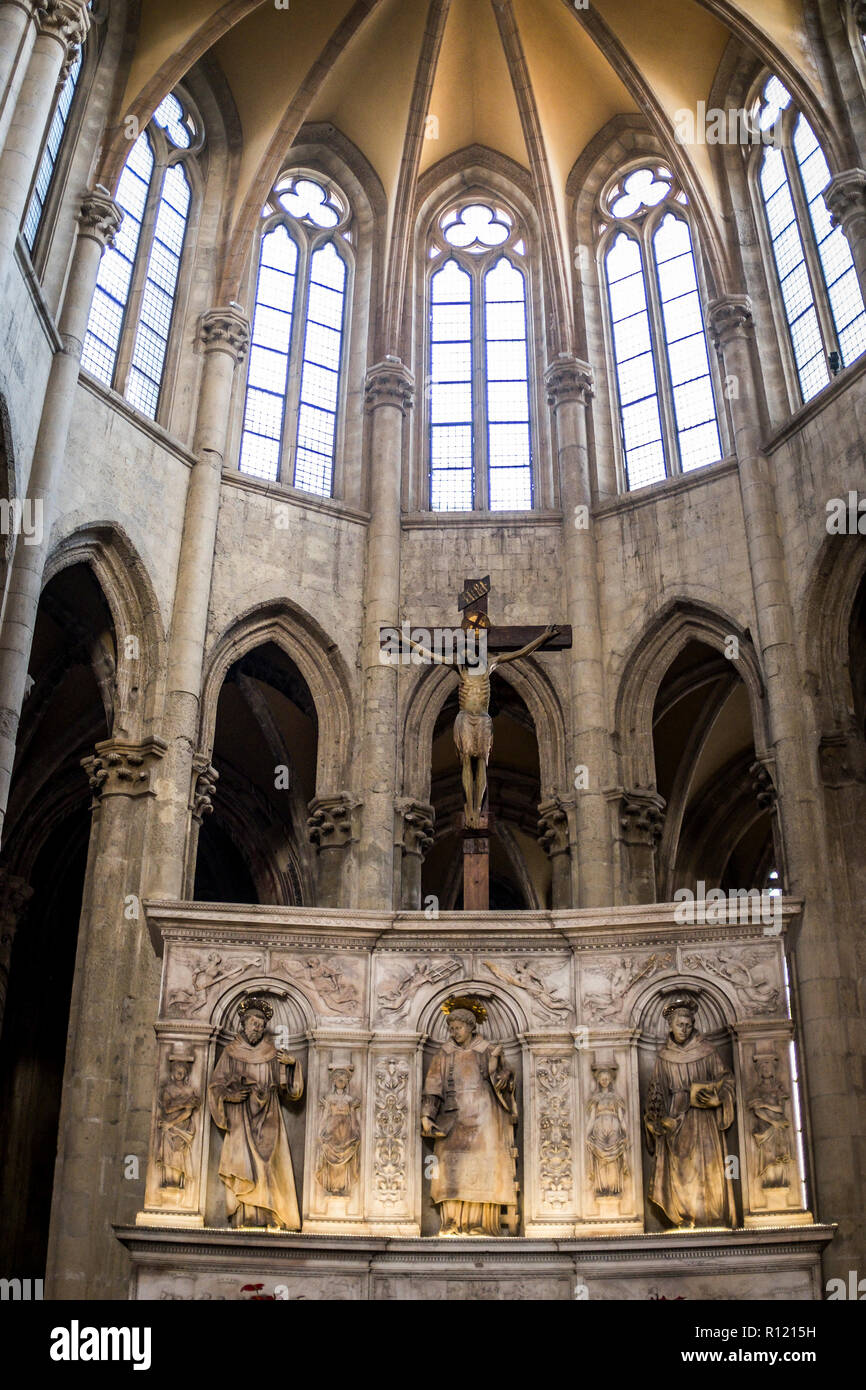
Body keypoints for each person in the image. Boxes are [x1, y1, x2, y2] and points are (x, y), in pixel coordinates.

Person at [404, 625, 559, 827]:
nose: (468, 655)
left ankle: (478, 808)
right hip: (464, 718)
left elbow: (520, 652)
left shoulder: (490, 665)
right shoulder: (459, 668)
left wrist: (544, 637)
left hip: (483, 719)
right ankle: (470, 807)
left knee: (482, 763)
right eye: (465, 652)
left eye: (471, 651)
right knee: (468, 762)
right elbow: (430, 654)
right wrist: (407, 640)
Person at [420, 1005, 517, 1235]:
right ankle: (452, 1222)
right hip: (453, 1118)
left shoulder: (489, 1050)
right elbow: (433, 1085)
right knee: (449, 1169)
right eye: (451, 1028)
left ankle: (482, 1224)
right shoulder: (444, 1053)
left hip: (485, 1117)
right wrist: (427, 1115)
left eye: (459, 1027)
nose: (455, 1032)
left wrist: (505, 1075)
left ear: (471, 1027)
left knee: (485, 1166)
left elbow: (507, 1078)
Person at [208, 995, 303, 1229]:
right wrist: (229, 1096)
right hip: (240, 1116)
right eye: (254, 1024)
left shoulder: (272, 1054)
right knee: (242, 1163)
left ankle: (269, 1216)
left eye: (261, 1026)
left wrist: (291, 1066)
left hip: (269, 1116)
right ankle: (245, 1216)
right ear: (243, 1024)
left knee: (269, 1165)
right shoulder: (230, 1053)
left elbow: (288, 1092)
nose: (258, 1029)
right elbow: (215, 1086)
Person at [643, 991, 736, 1228]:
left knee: (708, 1168)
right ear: (670, 1026)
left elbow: (727, 1080)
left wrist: (718, 1099)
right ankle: (684, 1217)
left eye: (687, 1024)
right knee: (680, 1171)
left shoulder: (707, 1050)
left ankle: (710, 1217)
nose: (683, 1029)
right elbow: (655, 1094)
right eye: (679, 1024)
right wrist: (657, 1120)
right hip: (676, 1119)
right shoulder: (664, 1057)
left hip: (704, 1120)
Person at [156, 1045, 199, 1189]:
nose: (179, 1073)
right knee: (168, 1156)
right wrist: (185, 1102)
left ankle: (176, 1184)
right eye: (177, 1070)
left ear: (186, 1073)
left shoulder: (189, 1089)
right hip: (168, 1128)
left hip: (182, 1128)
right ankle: (168, 1183)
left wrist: (172, 1123)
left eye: (182, 1071)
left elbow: (188, 1112)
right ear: (173, 1073)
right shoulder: (167, 1089)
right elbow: (167, 1108)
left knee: (178, 1155)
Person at [316, 1065, 361, 1196]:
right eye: (339, 1079)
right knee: (330, 1157)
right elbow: (325, 1116)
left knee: (345, 1159)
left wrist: (355, 1132)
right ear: (334, 1081)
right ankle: (333, 1187)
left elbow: (353, 1118)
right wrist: (321, 1131)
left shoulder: (350, 1099)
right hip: (332, 1131)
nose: (342, 1082)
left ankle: (342, 1186)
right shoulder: (329, 1098)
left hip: (345, 1132)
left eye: (344, 1079)